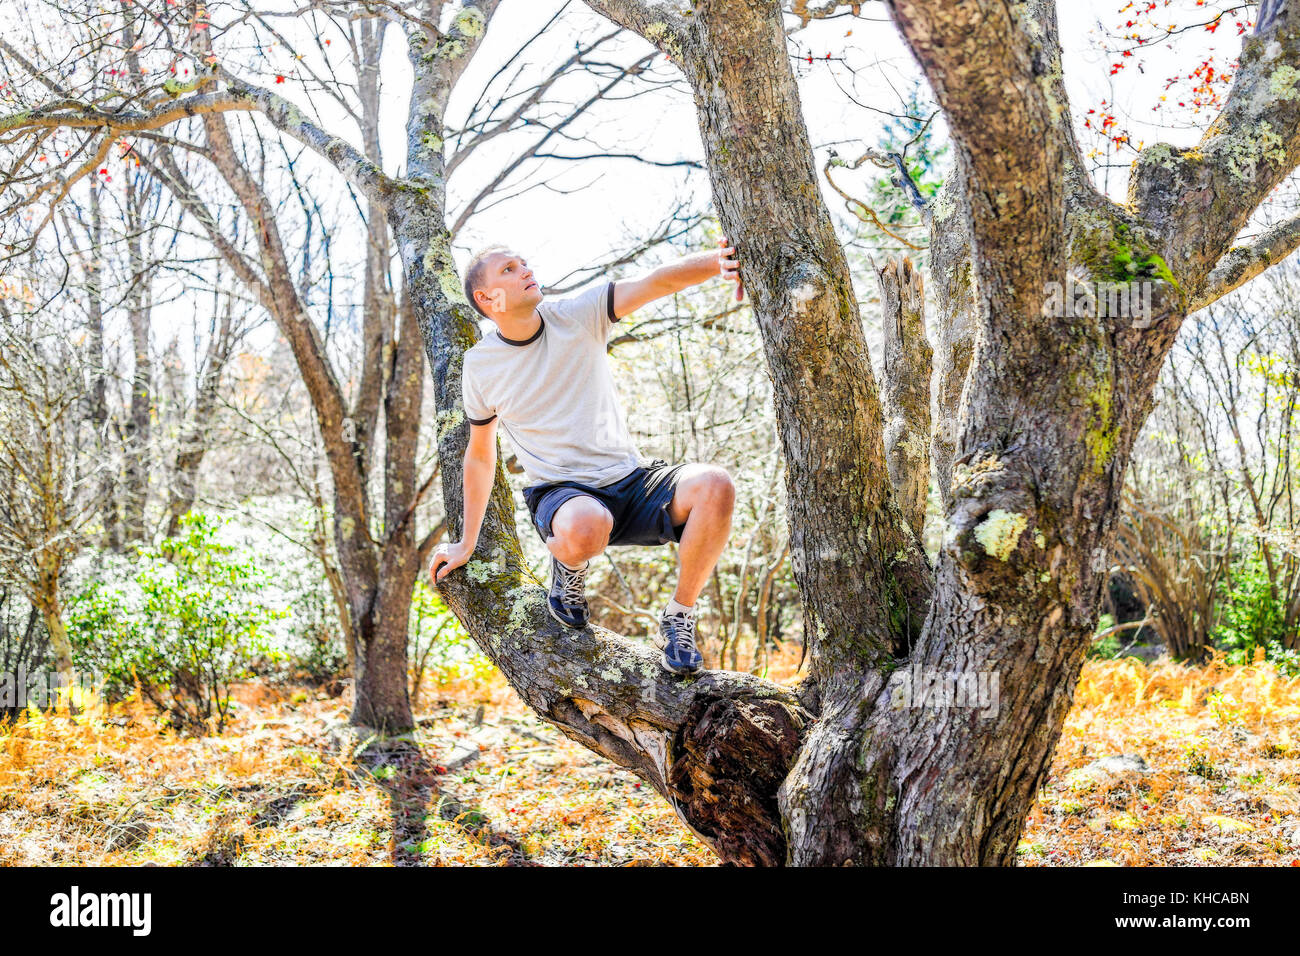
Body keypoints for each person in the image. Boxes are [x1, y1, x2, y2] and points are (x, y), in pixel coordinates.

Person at [428, 238, 744, 675]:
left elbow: (655, 282)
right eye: (508, 269)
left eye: (524, 262)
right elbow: (480, 456)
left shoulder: (577, 314)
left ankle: (680, 615)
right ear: (486, 299)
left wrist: (718, 262)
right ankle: (569, 567)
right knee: (586, 524)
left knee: (715, 485)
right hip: (563, 493)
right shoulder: (480, 365)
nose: (525, 270)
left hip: (631, 481)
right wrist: (466, 542)